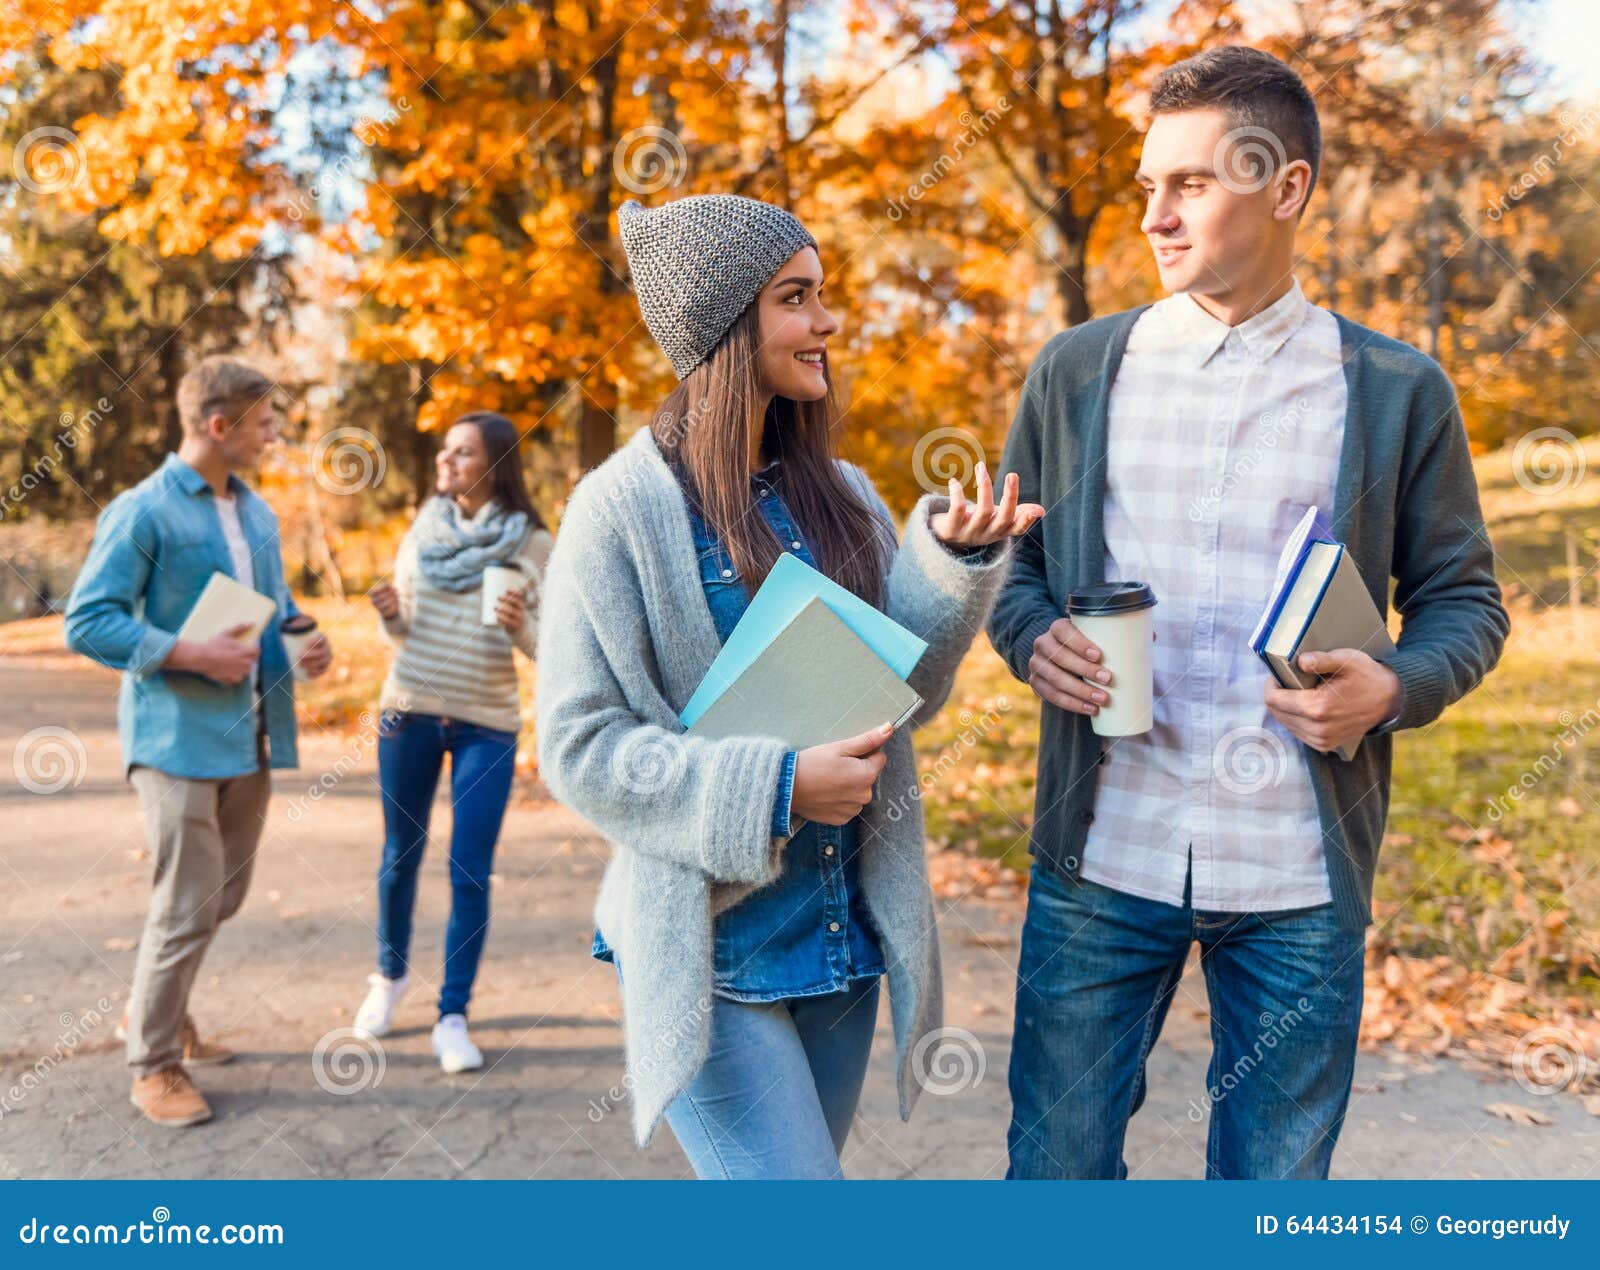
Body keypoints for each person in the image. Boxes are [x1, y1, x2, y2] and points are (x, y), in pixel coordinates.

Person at [987, 46, 1510, 1179]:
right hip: (1102, 852)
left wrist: (1396, 687)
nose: (1155, 217)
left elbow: (1466, 602)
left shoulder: (1395, 390)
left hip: (1294, 876)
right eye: (1146, 187)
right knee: (1054, 1173)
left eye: (1189, 184)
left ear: (1286, 188)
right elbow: (1008, 571)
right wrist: (1033, 640)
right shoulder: (1076, 373)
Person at [536, 194, 1042, 1178]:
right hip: (711, 956)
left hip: (838, 937)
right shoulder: (619, 512)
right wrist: (776, 787)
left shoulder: (842, 491)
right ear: (727, 326)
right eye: (795, 298)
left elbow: (904, 694)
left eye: (822, 294)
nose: (827, 322)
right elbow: (578, 745)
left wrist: (948, 563)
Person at [65, 355, 333, 1128]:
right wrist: (188, 652)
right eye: (264, 422)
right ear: (219, 427)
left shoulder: (257, 514)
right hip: (173, 738)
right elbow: (88, 619)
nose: (274, 434)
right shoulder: (143, 511)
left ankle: (161, 1005)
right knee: (185, 903)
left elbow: (277, 606)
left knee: (224, 895)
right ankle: (152, 1063)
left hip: (249, 733)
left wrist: (308, 641)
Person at [352, 411, 553, 1075]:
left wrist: (522, 626)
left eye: (461, 453)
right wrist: (390, 616)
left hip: (486, 721)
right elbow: (406, 626)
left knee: (469, 868)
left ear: (495, 466)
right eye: (445, 450)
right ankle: (388, 979)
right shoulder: (426, 526)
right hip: (408, 710)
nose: (445, 461)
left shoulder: (531, 542)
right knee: (397, 854)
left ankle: (453, 1015)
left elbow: (552, 648)